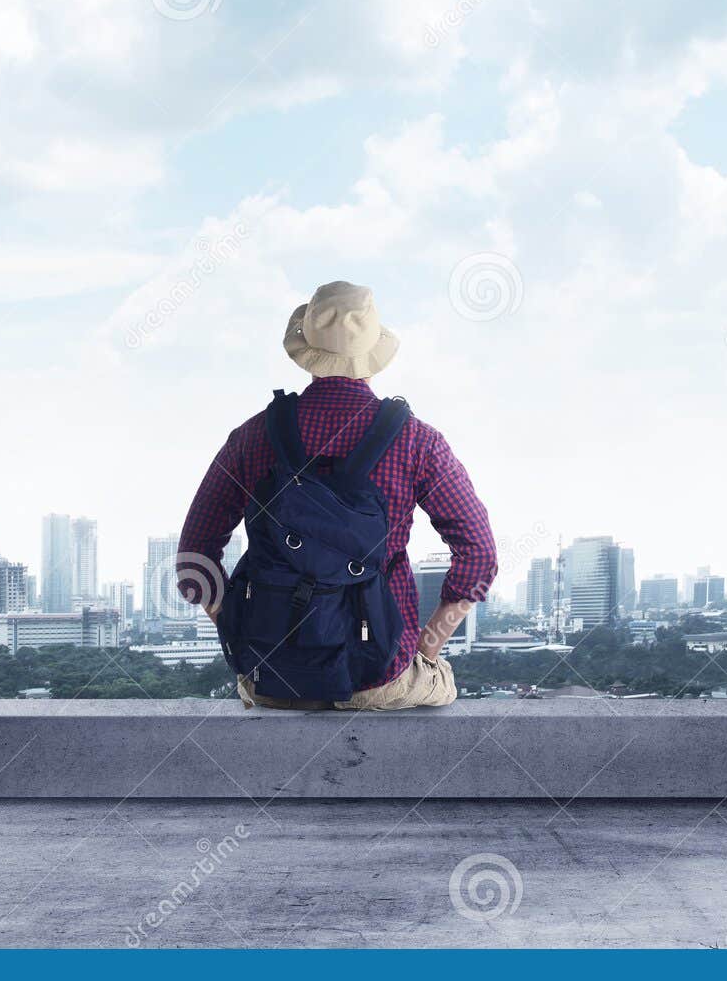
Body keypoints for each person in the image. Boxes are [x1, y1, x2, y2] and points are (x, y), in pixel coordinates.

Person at [177, 280, 497, 709]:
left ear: (306, 348)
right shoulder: (417, 442)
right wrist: (423, 651)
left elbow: (193, 560)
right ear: (373, 352)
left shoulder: (253, 437)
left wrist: (239, 630)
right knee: (443, 684)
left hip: (274, 681)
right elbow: (480, 556)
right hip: (379, 678)